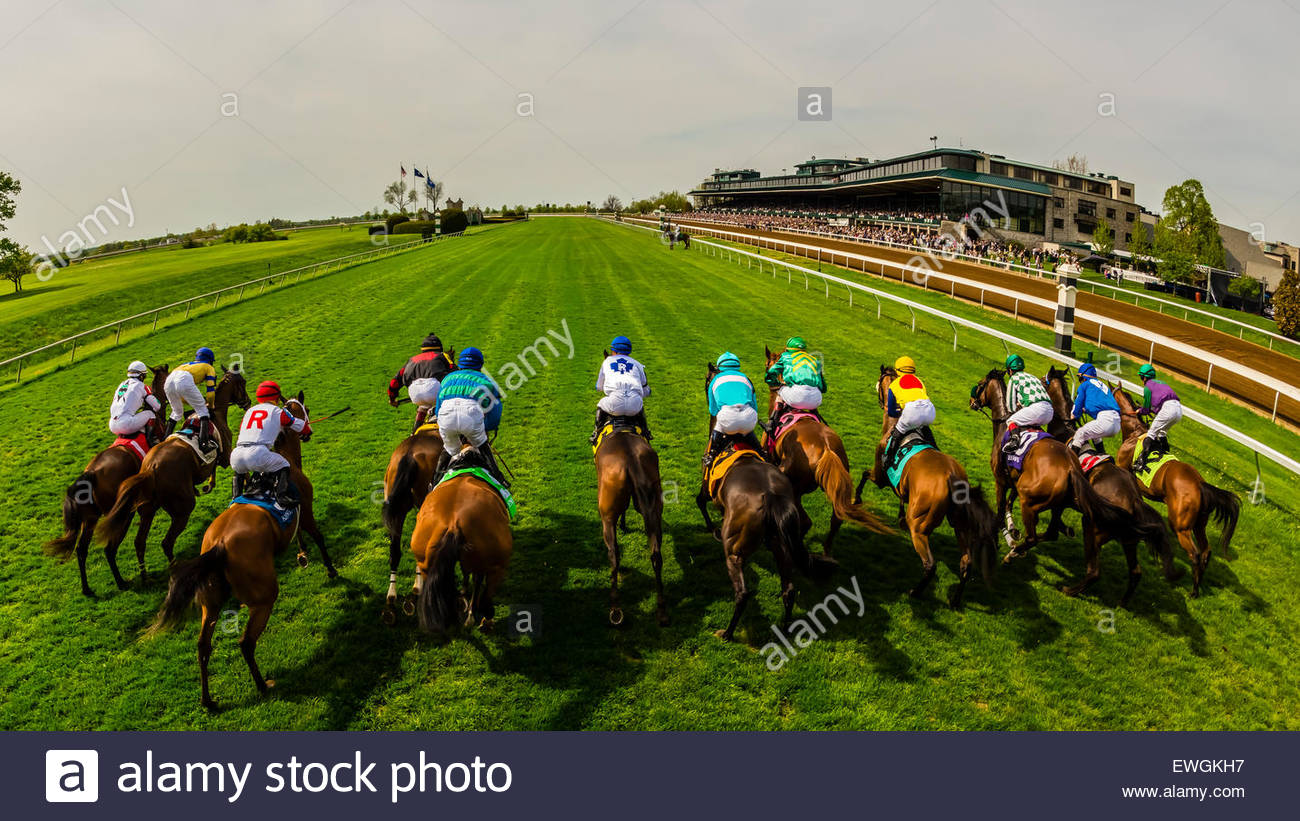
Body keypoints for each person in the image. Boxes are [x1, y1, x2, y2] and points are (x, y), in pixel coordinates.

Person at [434, 347, 508, 487]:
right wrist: (484, 427)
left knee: (449, 450)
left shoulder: (447, 378)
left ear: (460, 364)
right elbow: (495, 416)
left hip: (445, 416)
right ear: (480, 365)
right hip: (471, 416)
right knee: (482, 445)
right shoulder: (487, 381)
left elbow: (438, 409)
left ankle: (434, 483)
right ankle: (499, 479)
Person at [230, 380, 311, 507]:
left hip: (236, 455)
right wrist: (306, 429)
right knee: (284, 464)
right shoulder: (278, 411)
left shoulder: (249, 412)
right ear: (277, 398)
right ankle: (281, 496)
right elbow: (298, 425)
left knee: (239, 470)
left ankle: (235, 498)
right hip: (258, 454)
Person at [703, 352, 765, 470]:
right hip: (749, 419)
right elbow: (754, 406)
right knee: (748, 432)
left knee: (719, 426)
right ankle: (762, 453)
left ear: (720, 366)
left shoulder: (715, 380)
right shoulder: (746, 378)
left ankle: (711, 455)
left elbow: (713, 410)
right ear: (737, 365)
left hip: (728, 420)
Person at [388, 333, 456, 432]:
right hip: (435, 391)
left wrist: (392, 398)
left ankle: (414, 432)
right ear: (440, 348)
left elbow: (395, 381)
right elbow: (455, 371)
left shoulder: (411, 360)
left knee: (423, 406)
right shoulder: (443, 355)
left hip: (415, 394)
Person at [590, 335, 651, 445]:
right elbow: (646, 391)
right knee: (640, 405)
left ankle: (595, 432)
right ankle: (646, 432)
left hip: (614, 403)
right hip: (635, 405)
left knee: (601, 403)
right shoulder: (638, 364)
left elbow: (598, 387)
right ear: (629, 351)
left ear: (613, 350)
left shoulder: (607, 361)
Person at [883, 356, 936, 466]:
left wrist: (900, 412)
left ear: (897, 370)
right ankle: (936, 449)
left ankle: (888, 458)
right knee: (924, 428)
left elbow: (891, 413)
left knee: (897, 433)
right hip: (930, 411)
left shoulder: (894, 385)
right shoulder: (919, 381)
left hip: (911, 412)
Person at [764, 336, 826, 430]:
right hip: (816, 400)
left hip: (796, 398)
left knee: (780, 390)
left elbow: (771, 373)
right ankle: (817, 419)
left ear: (788, 349)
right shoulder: (815, 360)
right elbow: (824, 388)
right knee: (813, 392)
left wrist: (775, 383)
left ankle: (771, 422)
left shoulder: (786, 357)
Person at [164, 346, 217, 451]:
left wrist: (194, 402)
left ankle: (164, 439)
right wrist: (210, 405)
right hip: (184, 379)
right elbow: (210, 392)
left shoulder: (184, 364)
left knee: (176, 412)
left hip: (169, 380)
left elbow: (183, 395)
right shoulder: (209, 367)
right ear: (210, 359)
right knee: (203, 411)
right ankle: (204, 444)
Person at [1001, 353, 1054, 457]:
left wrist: (1015, 407)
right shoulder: (1032, 376)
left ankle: (1014, 441)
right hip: (1050, 412)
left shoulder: (1014, 378)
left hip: (1036, 410)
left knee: (1011, 420)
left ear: (1010, 370)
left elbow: (1010, 406)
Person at [1132, 363, 1182, 469]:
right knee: (1162, 433)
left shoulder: (1147, 388)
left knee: (1151, 433)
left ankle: (1140, 463)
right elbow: (1157, 405)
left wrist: (1139, 411)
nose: (1141, 379)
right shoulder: (1162, 383)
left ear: (1144, 377)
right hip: (1178, 410)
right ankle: (1165, 454)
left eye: (1141, 376)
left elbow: (1145, 409)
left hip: (1168, 409)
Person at [1070, 362, 1122, 453]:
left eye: (1080, 378)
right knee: (1095, 434)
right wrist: (1085, 410)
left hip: (1106, 420)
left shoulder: (1084, 385)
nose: (1080, 381)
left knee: (1080, 433)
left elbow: (1077, 404)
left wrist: (1074, 415)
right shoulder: (1102, 385)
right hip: (1117, 422)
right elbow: (1099, 403)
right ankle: (1102, 454)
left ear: (1083, 377)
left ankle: (1070, 462)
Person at [109, 360, 162, 444]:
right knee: (150, 414)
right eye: (144, 375)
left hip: (112, 425)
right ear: (141, 376)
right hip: (125, 424)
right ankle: (150, 440)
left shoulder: (121, 384)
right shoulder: (142, 386)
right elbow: (157, 406)